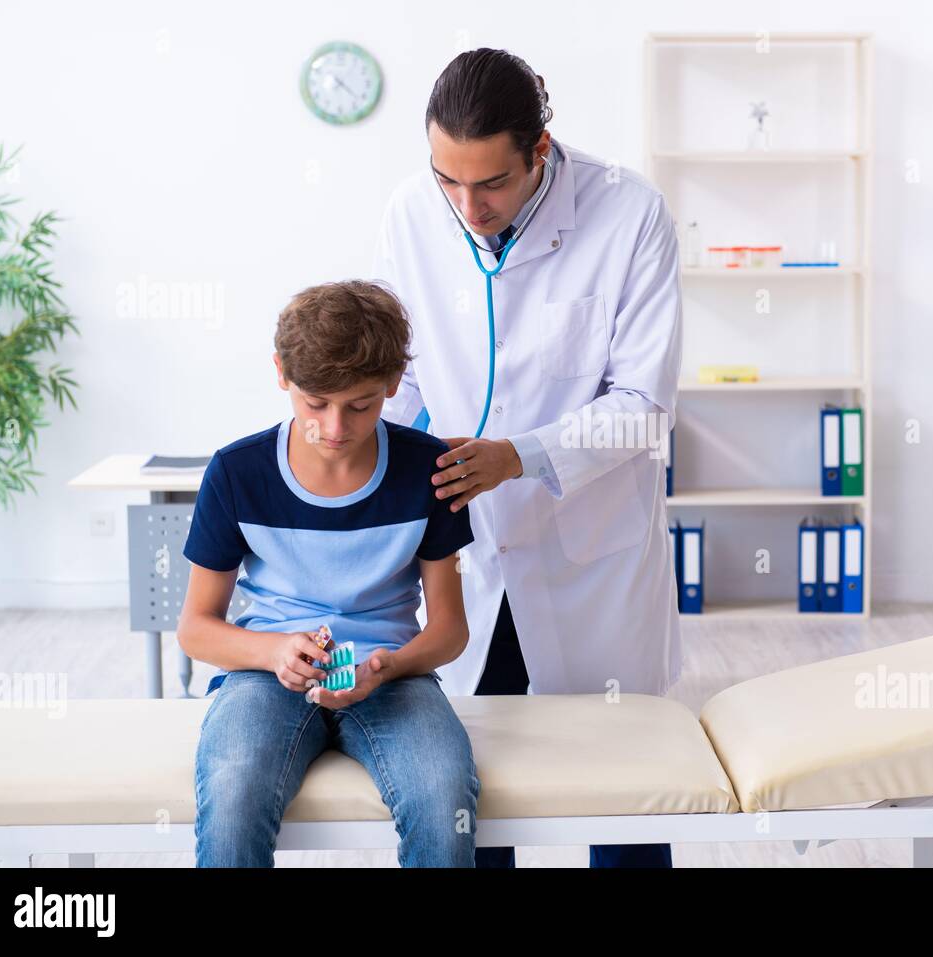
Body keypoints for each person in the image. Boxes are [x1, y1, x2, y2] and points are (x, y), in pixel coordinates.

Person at [372, 48, 683, 868]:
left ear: (539, 150)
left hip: (592, 559)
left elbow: (646, 408)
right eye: (448, 179)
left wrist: (519, 455)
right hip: (466, 556)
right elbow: (401, 373)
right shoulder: (412, 212)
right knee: (480, 796)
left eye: (492, 184)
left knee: (622, 803)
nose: (467, 207)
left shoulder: (630, 214)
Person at [178, 280, 478, 867]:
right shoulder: (238, 472)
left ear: (393, 384)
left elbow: (450, 629)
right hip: (265, 676)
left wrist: (391, 664)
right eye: (316, 403)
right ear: (281, 375)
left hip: (392, 675)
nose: (335, 427)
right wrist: (273, 652)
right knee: (235, 794)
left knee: (445, 802)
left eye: (361, 405)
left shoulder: (428, 470)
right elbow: (195, 628)